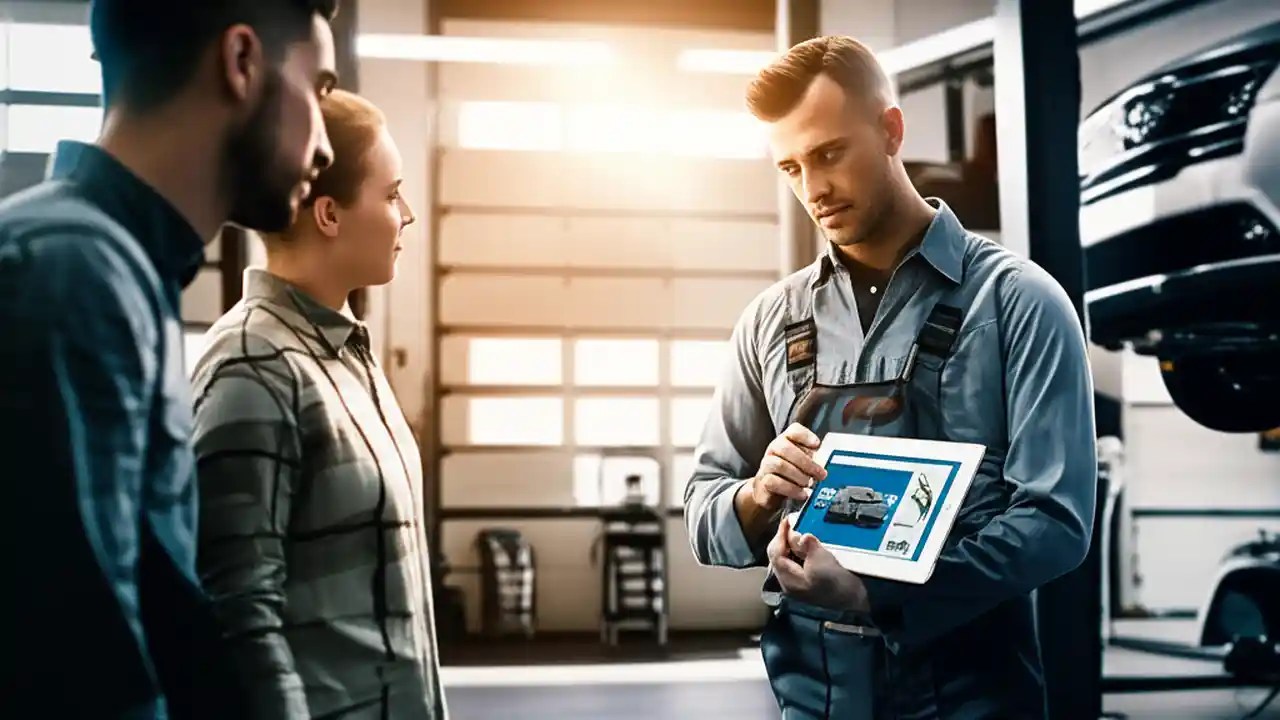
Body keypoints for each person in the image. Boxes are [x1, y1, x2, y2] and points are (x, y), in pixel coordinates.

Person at [683, 36, 1097, 719]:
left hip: (974, 698)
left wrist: (877, 596)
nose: (812, 190)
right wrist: (759, 495)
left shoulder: (1018, 305)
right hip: (812, 698)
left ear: (891, 130)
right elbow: (704, 512)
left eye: (829, 154)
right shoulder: (768, 323)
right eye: (790, 167)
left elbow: (1054, 521)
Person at [0, 1, 337, 717]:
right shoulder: (75, 278)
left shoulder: (114, 272)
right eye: (321, 91)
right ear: (242, 63)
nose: (328, 146)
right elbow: (79, 674)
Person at [190, 89, 445, 720]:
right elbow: (238, 611)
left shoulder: (346, 351)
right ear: (329, 214)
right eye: (391, 194)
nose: (405, 214)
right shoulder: (252, 364)